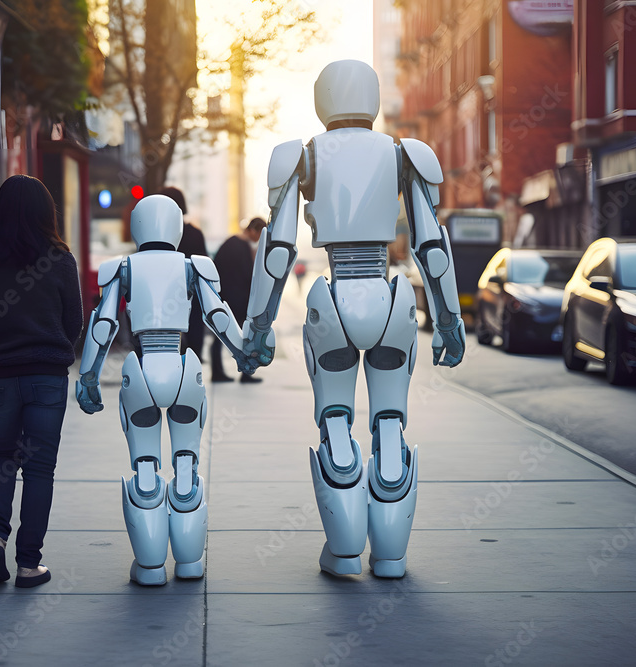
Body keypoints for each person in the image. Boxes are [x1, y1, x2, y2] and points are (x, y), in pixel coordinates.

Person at [241, 60, 465, 579]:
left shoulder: (302, 155)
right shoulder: (405, 153)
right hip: (391, 300)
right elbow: (433, 244)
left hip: (334, 297)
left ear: (323, 99)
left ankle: (343, 552)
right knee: (390, 424)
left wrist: (258, 326)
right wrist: (450, 320)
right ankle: (389, 556)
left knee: (335, 422)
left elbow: (276, 249)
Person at [74, 194, 250, 585]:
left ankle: (151, 566)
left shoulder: (122, 267)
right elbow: (218, 314)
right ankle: (189, 562)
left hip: (142, 372)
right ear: (177, 227)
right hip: (183, 367)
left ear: (137, 226)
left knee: (146, 469)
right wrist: (243, 352)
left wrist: (88, 376)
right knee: (186, 466)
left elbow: (103, 325)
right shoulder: (192, 266)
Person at [0, 174, 84, 588]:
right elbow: (74, 324)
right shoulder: (61, 261)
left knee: (1, 458)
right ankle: (29, 565)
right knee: (40, 470)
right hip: (46, 377)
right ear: (47, 213)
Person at [211, 217, 266, 383]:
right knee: (247, 337)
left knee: (219, 336)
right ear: (254, 231)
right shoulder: (242, 247)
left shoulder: (229, 243)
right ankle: (246, 373)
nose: (258, 240)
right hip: (240, 300)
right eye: (259, 236)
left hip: (225, 298)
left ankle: (217, 371)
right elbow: (249, 275)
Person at [160, 186, 207, 359]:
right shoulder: (195, 234)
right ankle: (193, 361)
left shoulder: (159, 235)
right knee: (195, 327)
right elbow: (202, 267)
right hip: (190, 292)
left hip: (164, 295)